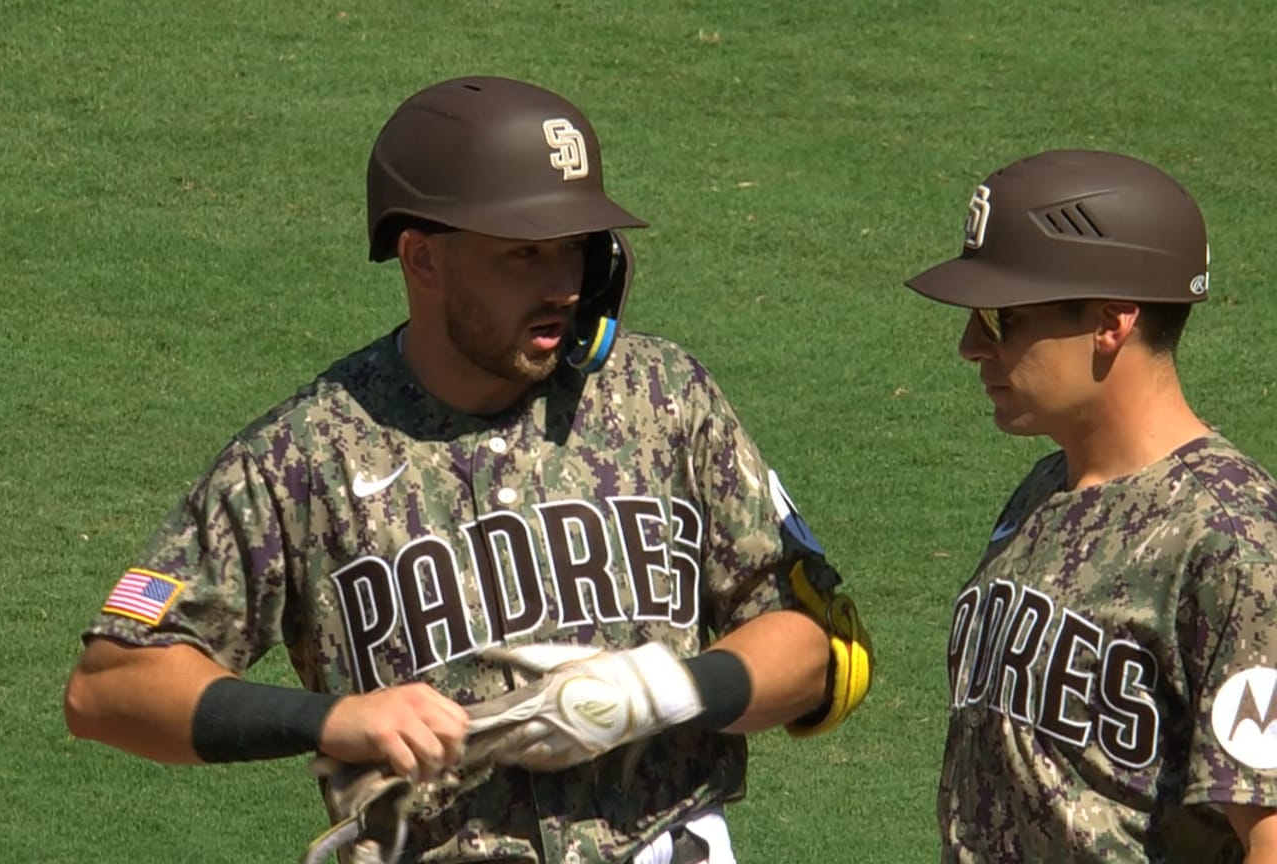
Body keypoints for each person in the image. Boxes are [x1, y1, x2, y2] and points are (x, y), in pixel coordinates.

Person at [64, 75, 871, 864]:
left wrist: (662, 693)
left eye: (576, 252)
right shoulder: (308, 458)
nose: (562, 286)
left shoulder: (663, 399)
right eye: (523, 254)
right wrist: (336, 721)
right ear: (422, 257)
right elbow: (109, 686)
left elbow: (816, 648)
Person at [905, 149, 1277, 862]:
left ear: (1111, 323)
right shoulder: (1045, 489)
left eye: (999, 317)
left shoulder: (1232, 541)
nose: (969, 346)